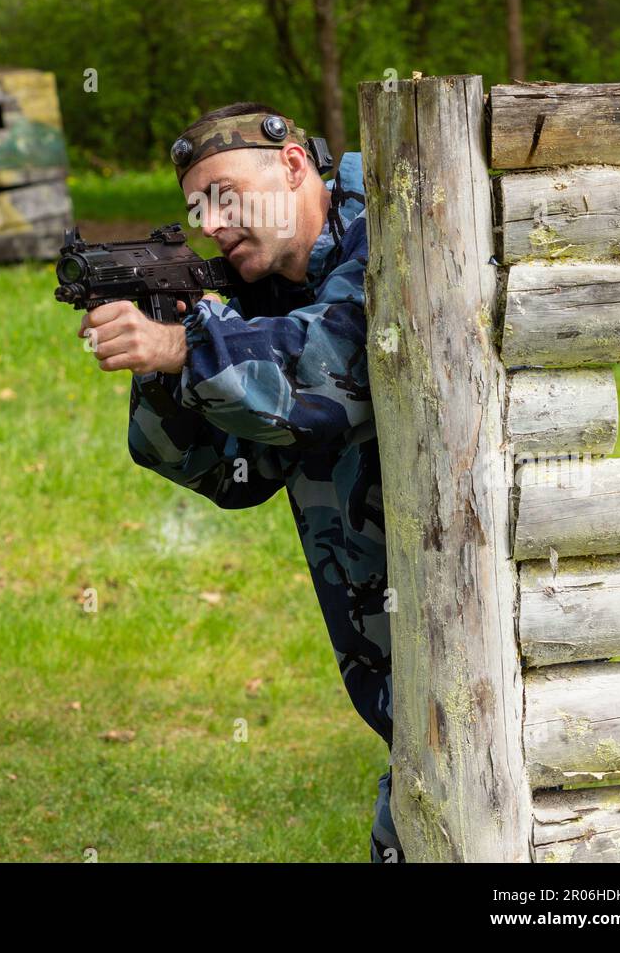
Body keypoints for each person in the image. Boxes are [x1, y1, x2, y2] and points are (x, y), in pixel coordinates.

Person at [78, 102, 404, 863]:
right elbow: (231, 472)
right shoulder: (257, 292)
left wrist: (184, 346)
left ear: (292, 166)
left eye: (225, 195)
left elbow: (338, 368)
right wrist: (164, 356)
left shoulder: (396, 223)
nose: (212, 223)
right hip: (393, 640)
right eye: (197, 210)